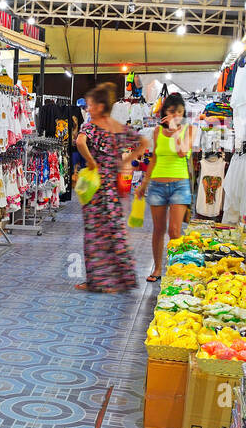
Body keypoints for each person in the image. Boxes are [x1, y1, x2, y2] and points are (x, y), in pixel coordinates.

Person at [75, 83, 148, 293]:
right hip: (113, 189)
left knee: (94, 236)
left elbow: (80, 143)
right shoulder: (118, 128)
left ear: (99, 106)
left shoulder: (90, 127)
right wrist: (126, 162)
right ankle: (119, 281)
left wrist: (90, 162)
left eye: (90, 105)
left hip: (96, 190)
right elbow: (143, 143)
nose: (88, 109)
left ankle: (97, 281)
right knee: (115, 233)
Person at [136, 92, 193, 281]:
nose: (176, 115)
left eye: (179, 112)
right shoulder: (157, 131)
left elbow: (182, 152)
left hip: (180, 184)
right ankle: (157, 269)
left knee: (175, 231)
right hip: (157, 185)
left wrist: (176, 129)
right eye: (172, 112)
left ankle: (176, 270)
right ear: (164, 113)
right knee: (158, 229)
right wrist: (143, 183)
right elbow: (154, 159)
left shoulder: (188, 129)